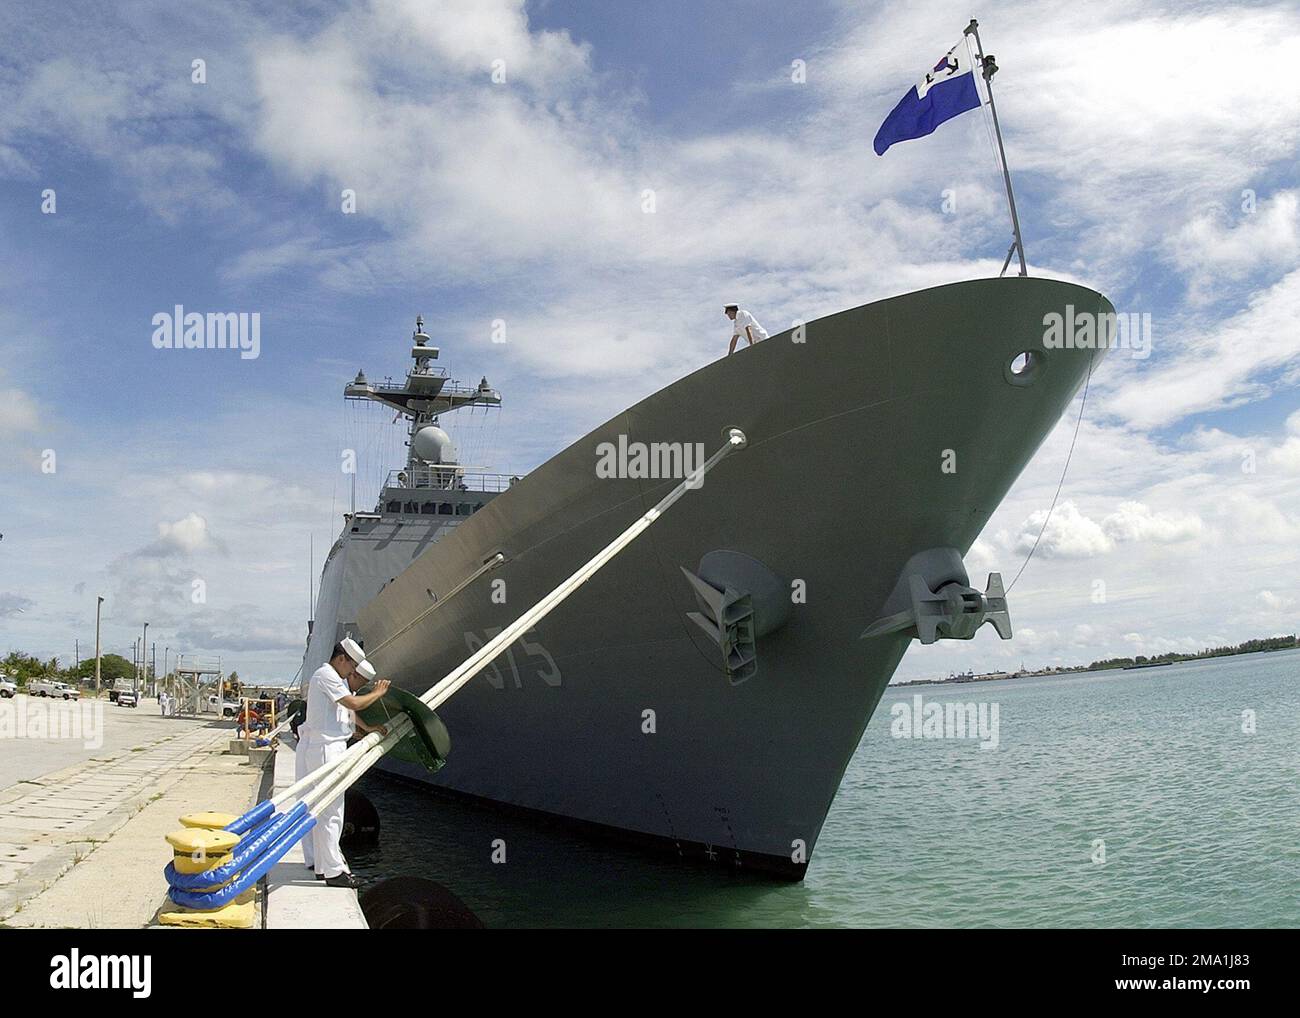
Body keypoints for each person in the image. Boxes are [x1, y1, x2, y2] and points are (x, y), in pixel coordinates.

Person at [301, 639, 389, 888]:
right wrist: (378, 693)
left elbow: (347, 713)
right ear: (341, 659)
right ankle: (333, 872)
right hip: (327, 750)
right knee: (332, 814)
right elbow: (352, 704)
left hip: (328, 748)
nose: (351, 673)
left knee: (324, 812)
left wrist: (367, 728)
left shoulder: (331, 678)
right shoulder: (327, 675)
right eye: (351, 667)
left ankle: (322, 866)